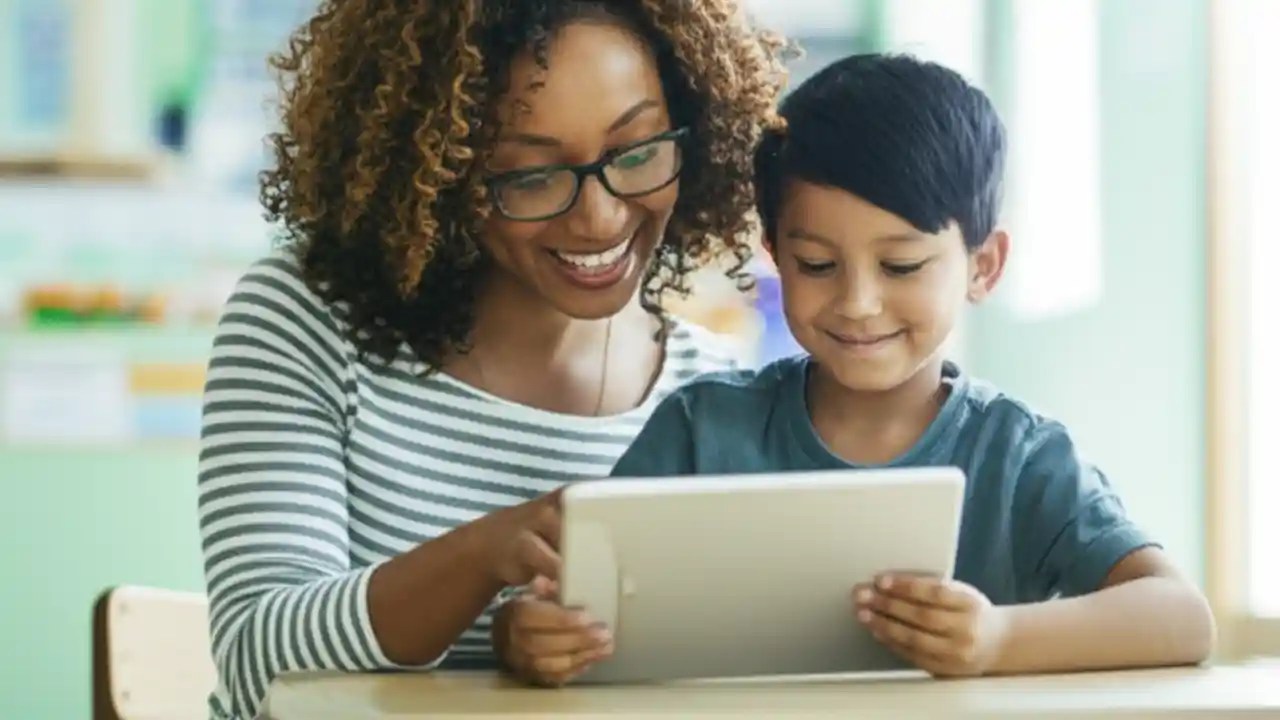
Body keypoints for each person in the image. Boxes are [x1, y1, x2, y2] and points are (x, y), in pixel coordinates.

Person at [196, 0, 788, 715]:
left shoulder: (711, 389)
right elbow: (256, 666)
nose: (600, 218)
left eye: (636, 154)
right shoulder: (308, 321)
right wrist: (481, 557)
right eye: (531, 176)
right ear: (437, 174)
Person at [610, 53, 1216, 677]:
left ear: (983, 266)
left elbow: (1181, 617)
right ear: (776, 257)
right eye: (817, 265)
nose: (858, 303)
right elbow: (584, 598)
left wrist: (1000, 639)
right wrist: (553, 627)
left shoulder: (1016, 456)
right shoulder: (701, 430)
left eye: (900, 267)